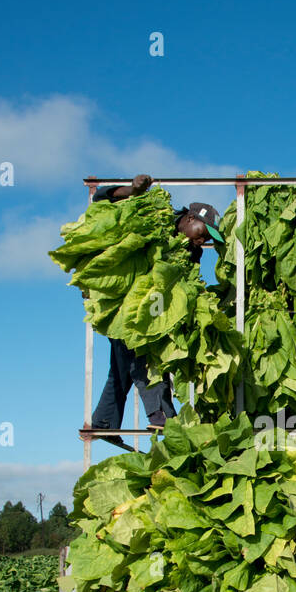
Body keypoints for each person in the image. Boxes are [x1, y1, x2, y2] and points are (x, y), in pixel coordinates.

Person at [80, 183, 225, 450]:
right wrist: (132, 190)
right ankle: (162, 416)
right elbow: (103, 198)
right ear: (191, 219)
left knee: (122, 365)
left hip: (151, 310)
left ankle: (103, 422)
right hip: (123, 302)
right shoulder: (155, 215)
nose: (203, 242)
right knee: (141, 356)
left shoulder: (190, 251)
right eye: (203, 233)